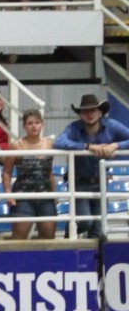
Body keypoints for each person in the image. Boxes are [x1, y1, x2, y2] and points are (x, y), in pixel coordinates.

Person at [54, 93, 129, 238]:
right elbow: (59, 142)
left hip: (101, 181)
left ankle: (94, 259)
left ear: (100, 112)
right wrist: (88, 146)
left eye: (93, 110)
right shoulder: (74, 128)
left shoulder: (111, 125)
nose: (89, 114)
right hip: (80, 181)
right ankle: (70, 237)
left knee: (98, 228)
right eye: (85, 111)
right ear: (80, 114)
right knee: (85, 221)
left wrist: (115, 145)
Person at [2, 108, 56, 240]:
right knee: (19, 236)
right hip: (22, 197)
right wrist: (8, 195)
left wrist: (55, 193)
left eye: (37, 122)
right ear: (24, 125)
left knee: (48, 235)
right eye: (30, 123)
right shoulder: (16, 145)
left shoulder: (49, 144)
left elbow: (49, 172)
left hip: (46, 195)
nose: (34, 126)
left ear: (42, 124)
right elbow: (6, 173)